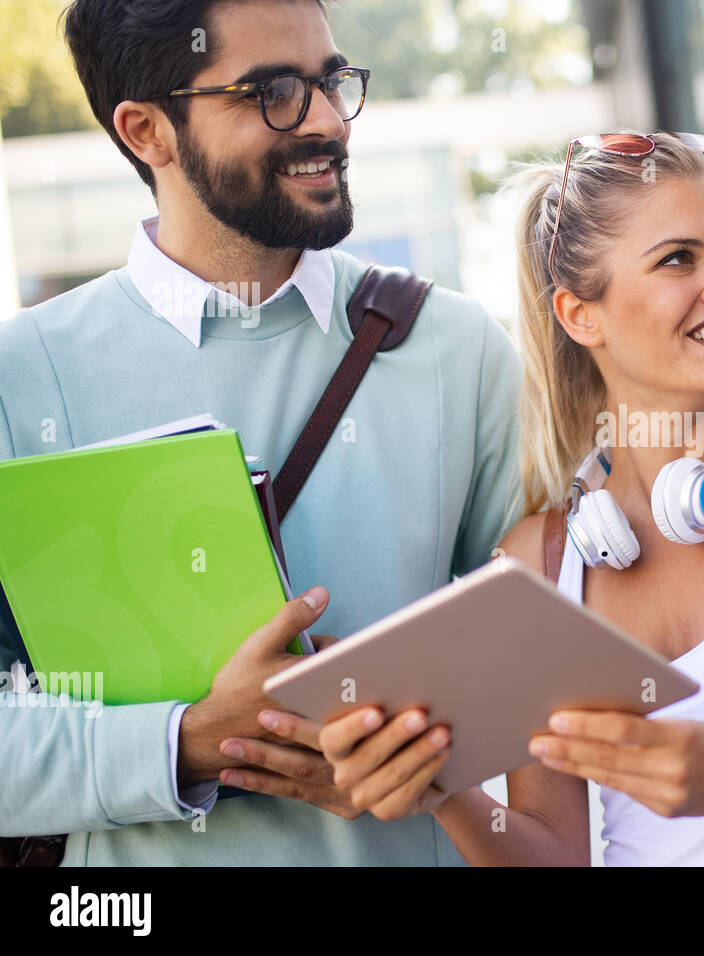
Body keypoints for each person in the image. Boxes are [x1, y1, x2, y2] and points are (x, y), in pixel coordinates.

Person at [0, 0, 520, 865]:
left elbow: (557, 665)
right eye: (272, 91)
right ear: (146, 132)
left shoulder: (456, 349)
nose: (323, 121)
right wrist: (190, 742)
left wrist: (428, 742)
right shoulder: (21, 378)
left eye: (329, 81)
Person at [310, 132, 704, 865]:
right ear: (579, 315)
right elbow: (555, 854)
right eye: (678, 259)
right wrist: (447, 792)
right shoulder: (536, 564)